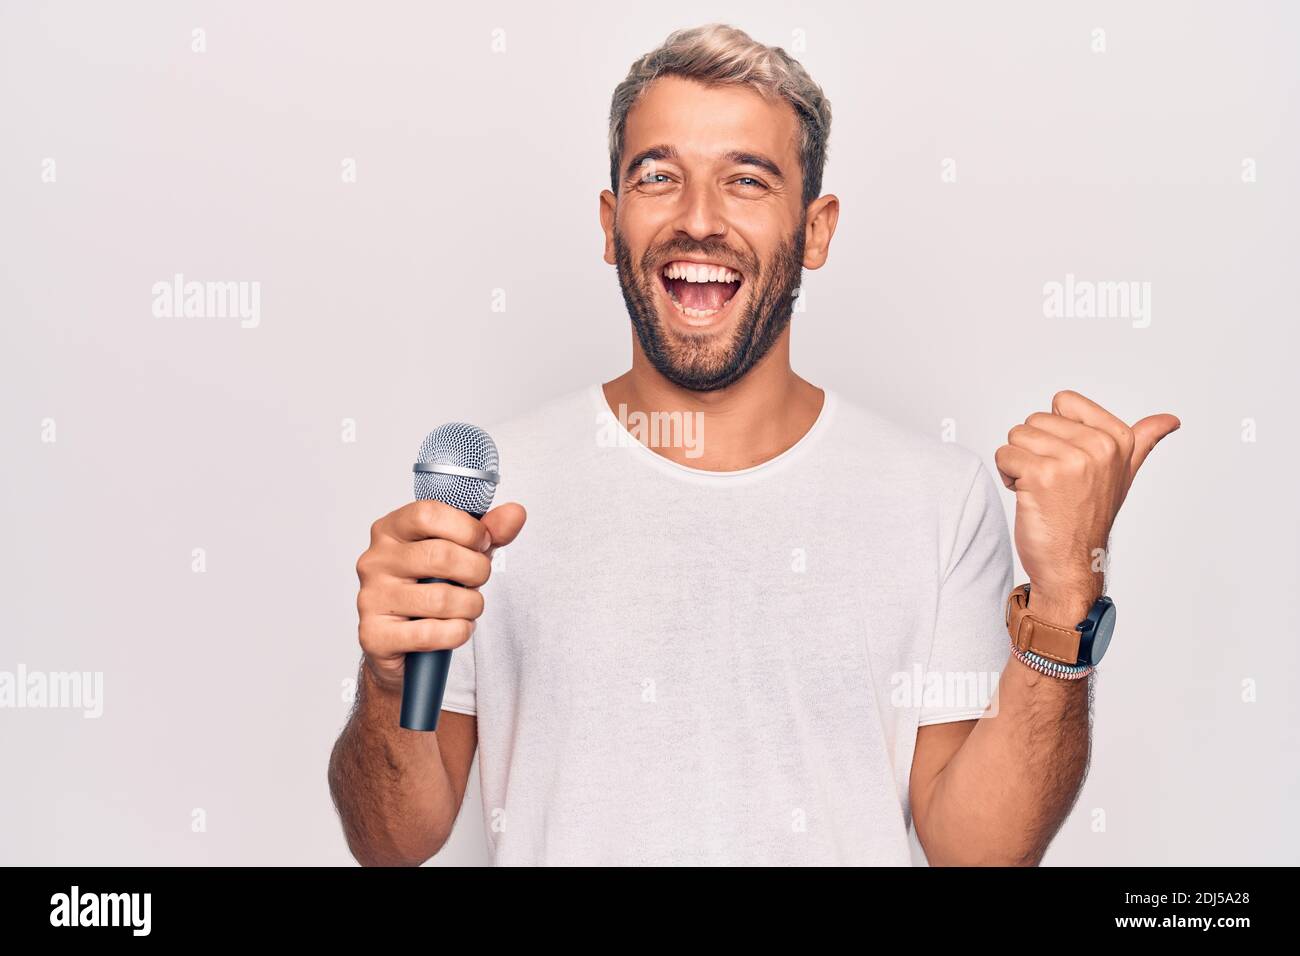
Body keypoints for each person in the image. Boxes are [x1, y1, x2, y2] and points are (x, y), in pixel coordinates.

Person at [327, 23, 1179, 866]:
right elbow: (390, 843)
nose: (699, 220)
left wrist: (1066, 599)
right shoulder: (493, 495)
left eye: (747, 180)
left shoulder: (936, 497)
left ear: (815, 230)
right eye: (659, 176)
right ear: (610, 220)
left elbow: (980, 853)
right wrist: (388, 683)